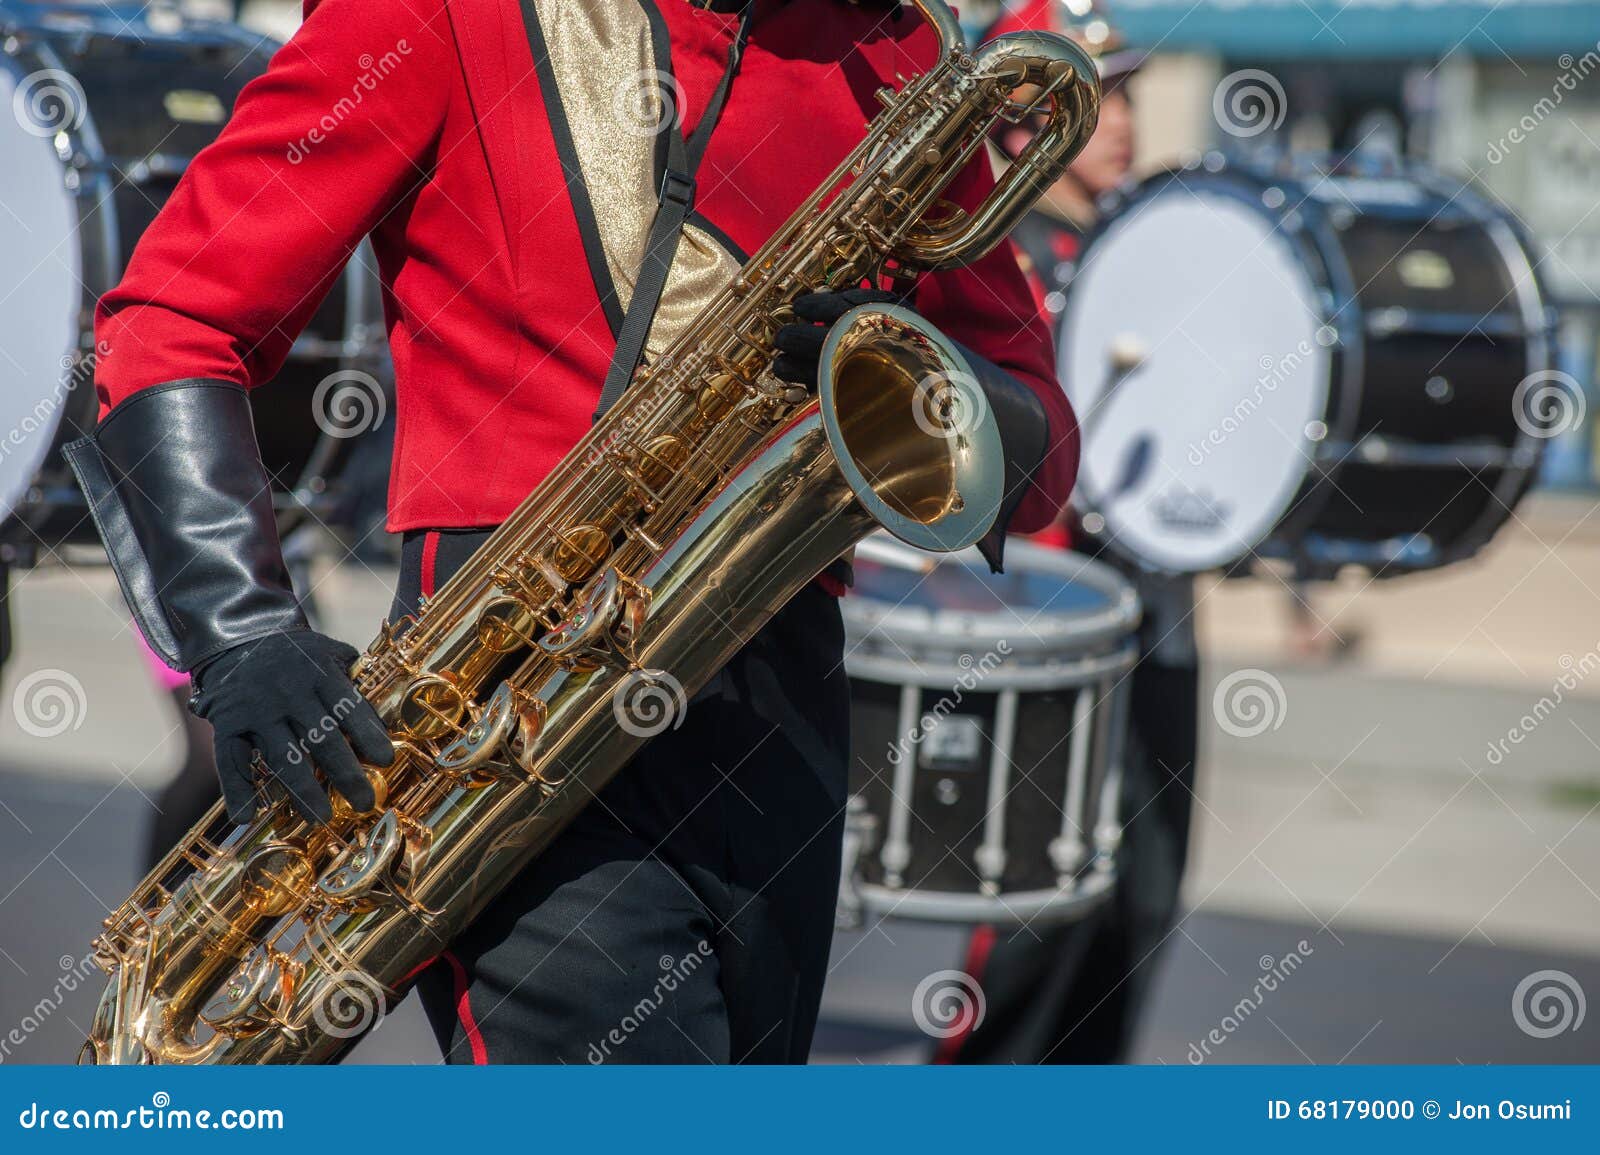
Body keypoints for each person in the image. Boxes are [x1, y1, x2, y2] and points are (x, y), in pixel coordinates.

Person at [64, 0, 1078, 1064]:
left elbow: (1040, 443)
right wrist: (239, 627)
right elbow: (173, 321)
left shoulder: (894, 46)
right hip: (509, 693)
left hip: (777, 705)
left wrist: (925, 378)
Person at [941, 0, 1201, 1064]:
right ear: (1020, 124)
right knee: (1036, 920)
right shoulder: (999, 258)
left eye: (1132, 94)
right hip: (1045, 618)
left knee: (1140, 903)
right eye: (1099, 100)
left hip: (1153, 606)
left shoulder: (1142, 252)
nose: (1126, 121)